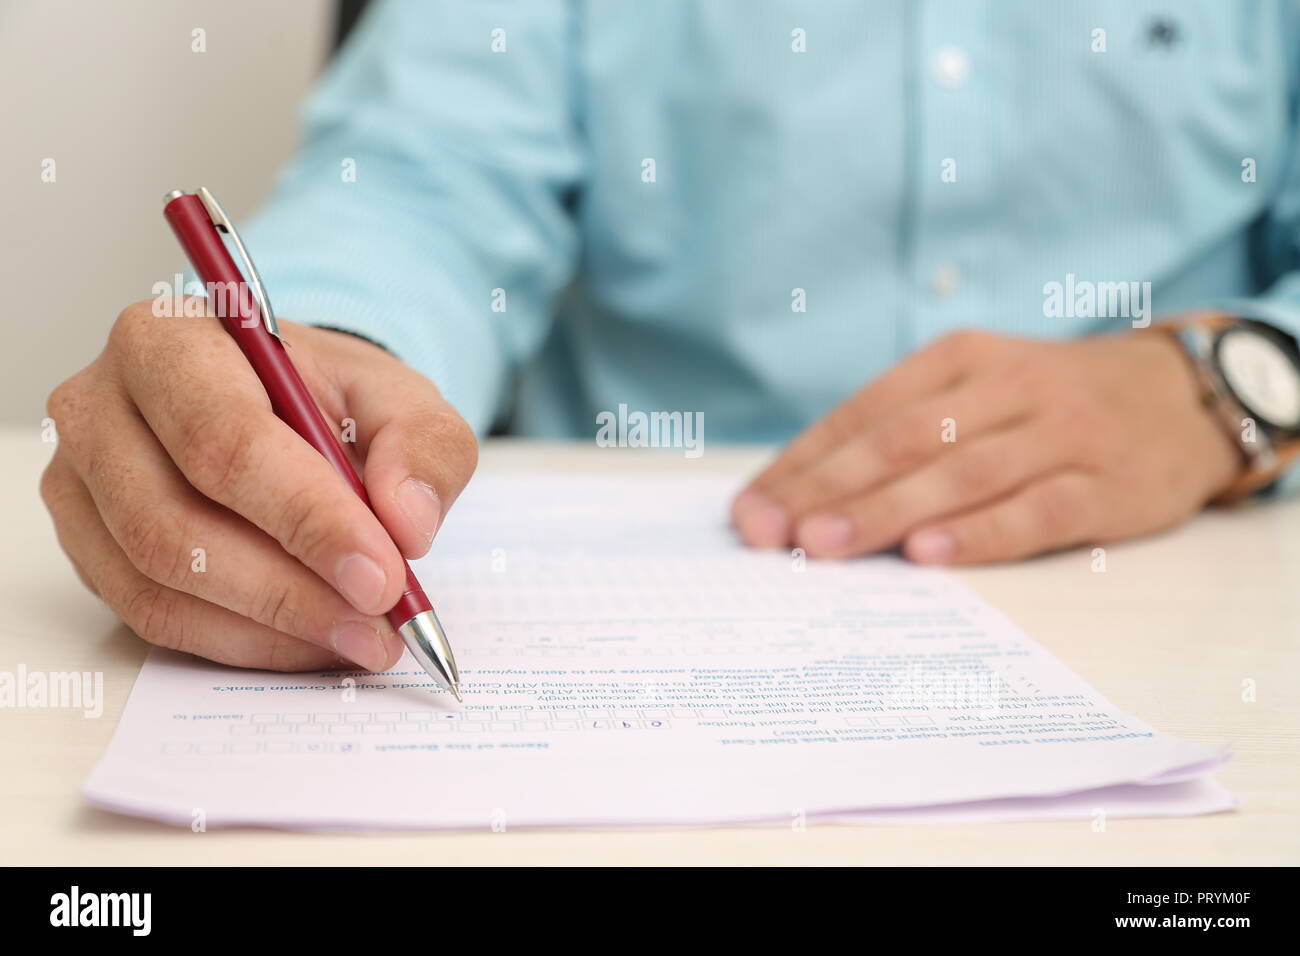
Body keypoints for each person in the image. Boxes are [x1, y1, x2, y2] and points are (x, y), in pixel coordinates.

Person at [40, 1, 1300, 673]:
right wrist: (317, 350)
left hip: (1192, 583)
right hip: (625, 585)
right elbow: (426, 176)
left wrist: (1231, 380)